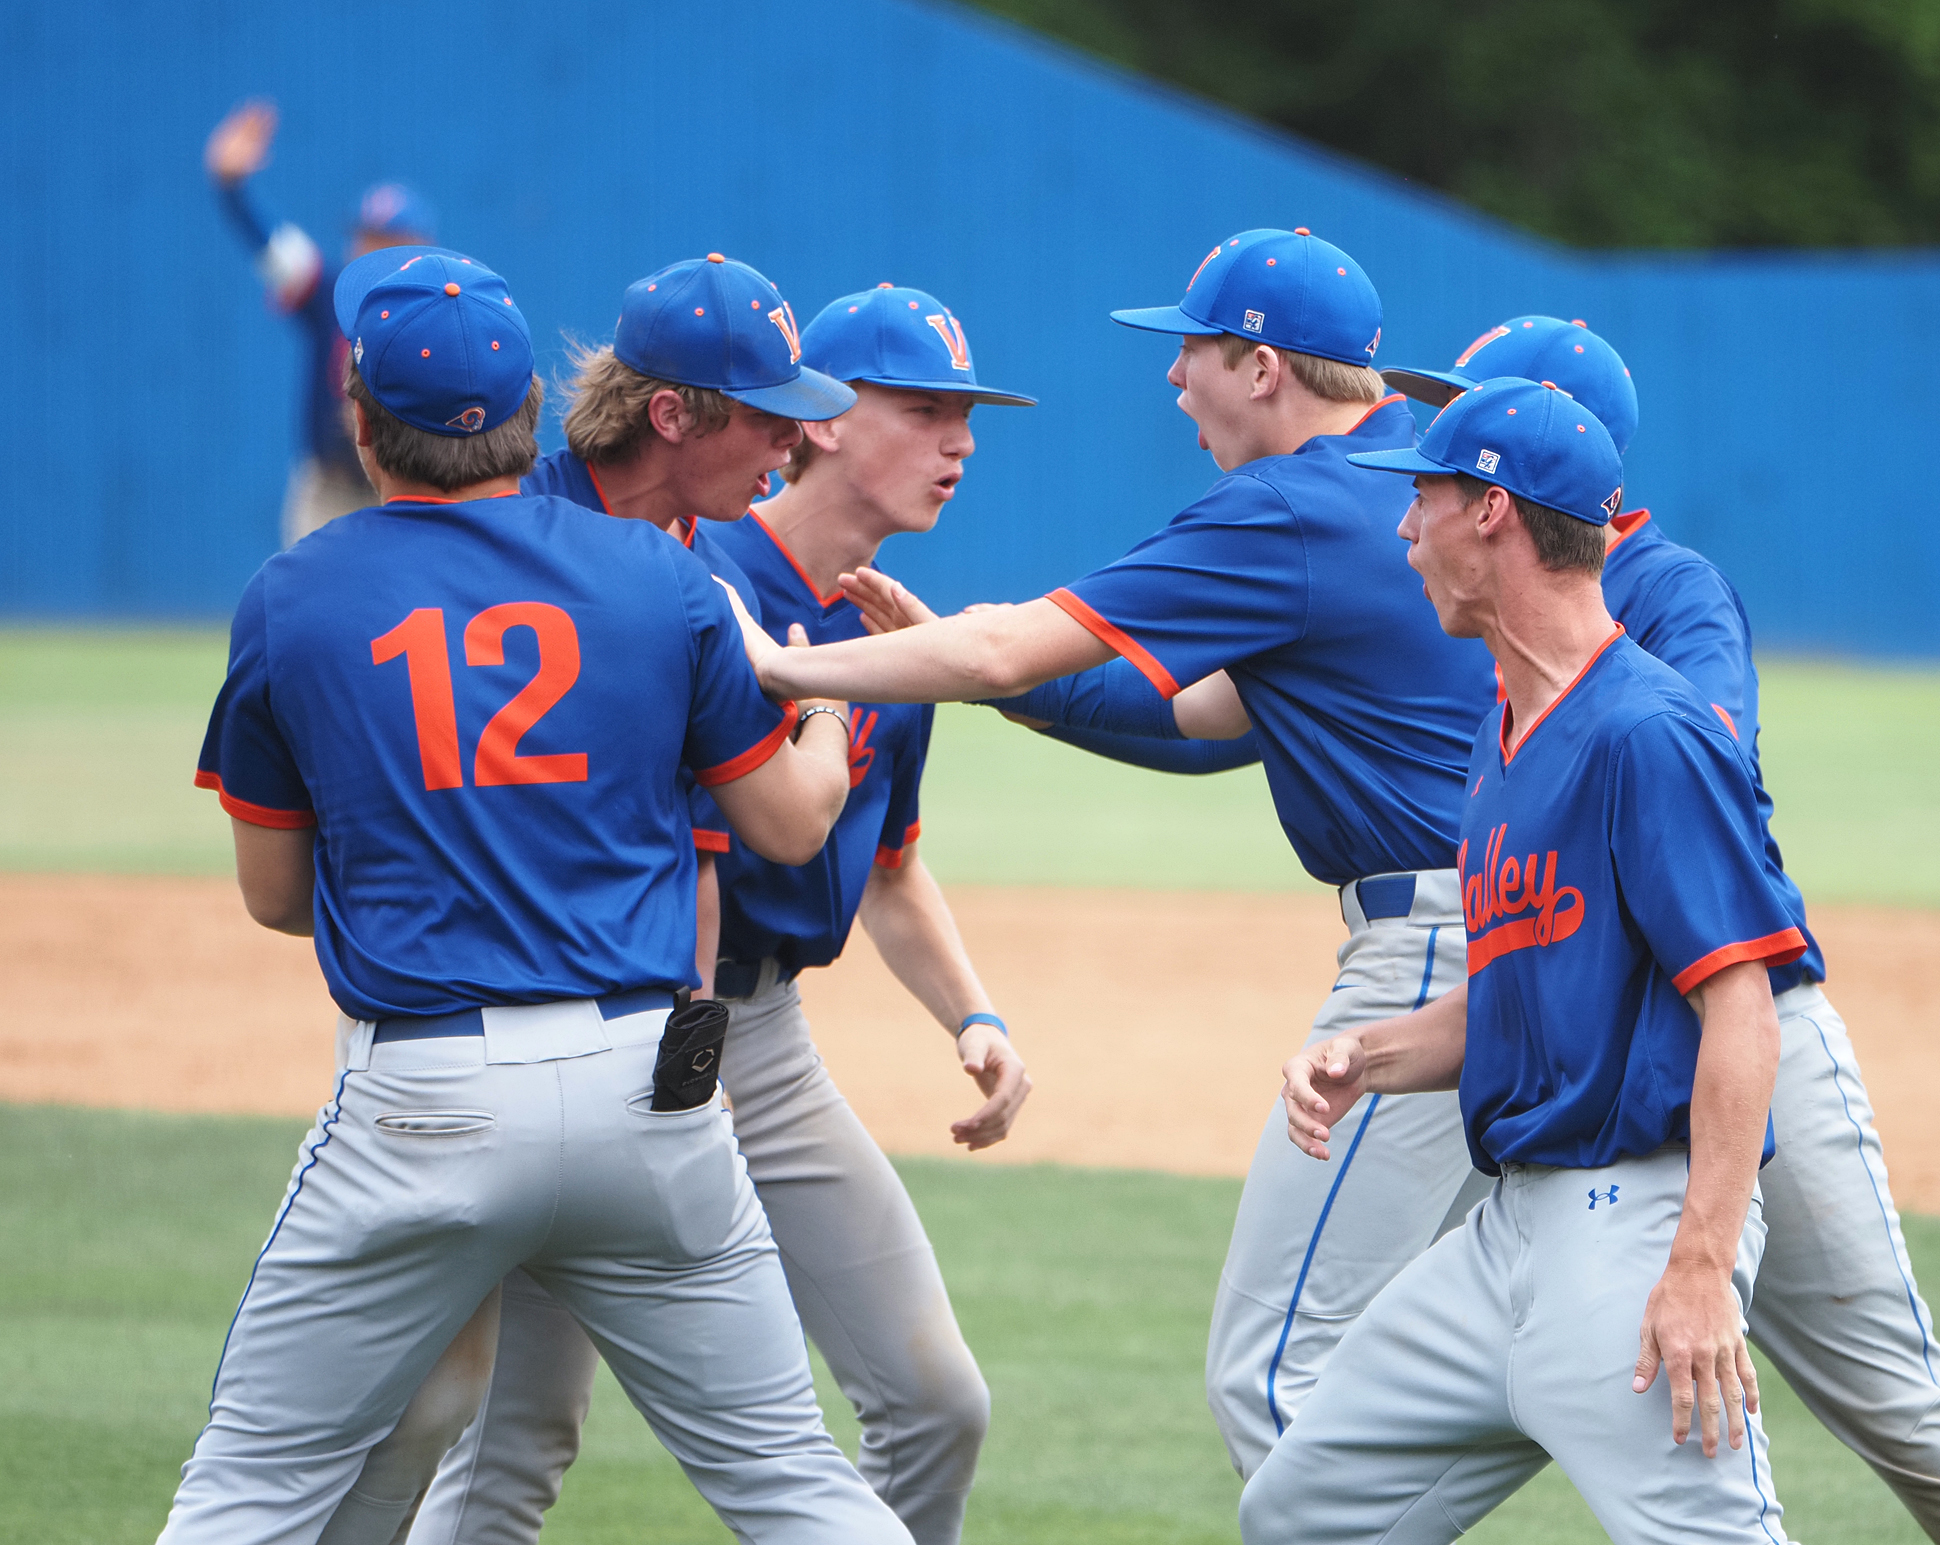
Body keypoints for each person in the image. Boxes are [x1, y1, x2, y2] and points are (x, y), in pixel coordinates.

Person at [165, 243, 911, 1545]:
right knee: (794, 1485)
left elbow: (275, 894)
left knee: (253, 1491)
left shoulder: (292, 596)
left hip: (427, 1101)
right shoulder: (667, 577)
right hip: (652, 1092)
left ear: (358, 417)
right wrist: (836, 697)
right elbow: (789, 826)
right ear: (527, 420)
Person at [741, 227, 1502, 1477]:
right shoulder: (1394, 493)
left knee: (1275, 1376)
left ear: (1260, 369)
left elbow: (1005, 653)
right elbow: (1201, 724)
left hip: (1435, 949)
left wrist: (787, 662)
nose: (1172, 378)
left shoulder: (1289, 507)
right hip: (1531, 930)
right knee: (1482, 1342)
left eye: (1191, 349)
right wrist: (969, 665)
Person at [400, 282, 1037, 1545]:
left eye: (967, 416)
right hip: (619, 1024)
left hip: (765, 1043)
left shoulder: (879, 629)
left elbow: (889, 862)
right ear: (826, 421)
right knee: (520, 1429)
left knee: (934, 1401)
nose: (960, 442)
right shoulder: (688, 558)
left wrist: (971, 1012)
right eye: (927, 411)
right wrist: (678, 1050)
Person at [1382, 317, 1940, 1543]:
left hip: (1735, 1026)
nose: (1446, 434)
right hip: (1581, 1041)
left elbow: (1692, 754)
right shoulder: (1495, 622)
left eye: (1475, 407)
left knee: (1897, 1406)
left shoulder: (1661, 593)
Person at [1237, 375, 1806, 1544]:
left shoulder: (1645, 733)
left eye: (1422, 498)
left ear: (1489, 511)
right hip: (1503, 1243)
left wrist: (1697, 1262)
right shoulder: (1504, 742)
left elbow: (1743, 1013)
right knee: (1300, 1512)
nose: (1402, 528)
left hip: (1632, 1227)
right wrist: (1365, 1054)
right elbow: (1508, 999)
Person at [205, 100, 439, 546]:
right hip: (329, 491)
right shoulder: (330, 290)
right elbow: (272, 246)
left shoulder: (437, 308)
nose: (372, 248)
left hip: (402, 492)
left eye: (388, 239)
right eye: (366, 236)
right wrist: (233, 189)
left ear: (421, 244)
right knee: (307, 608)